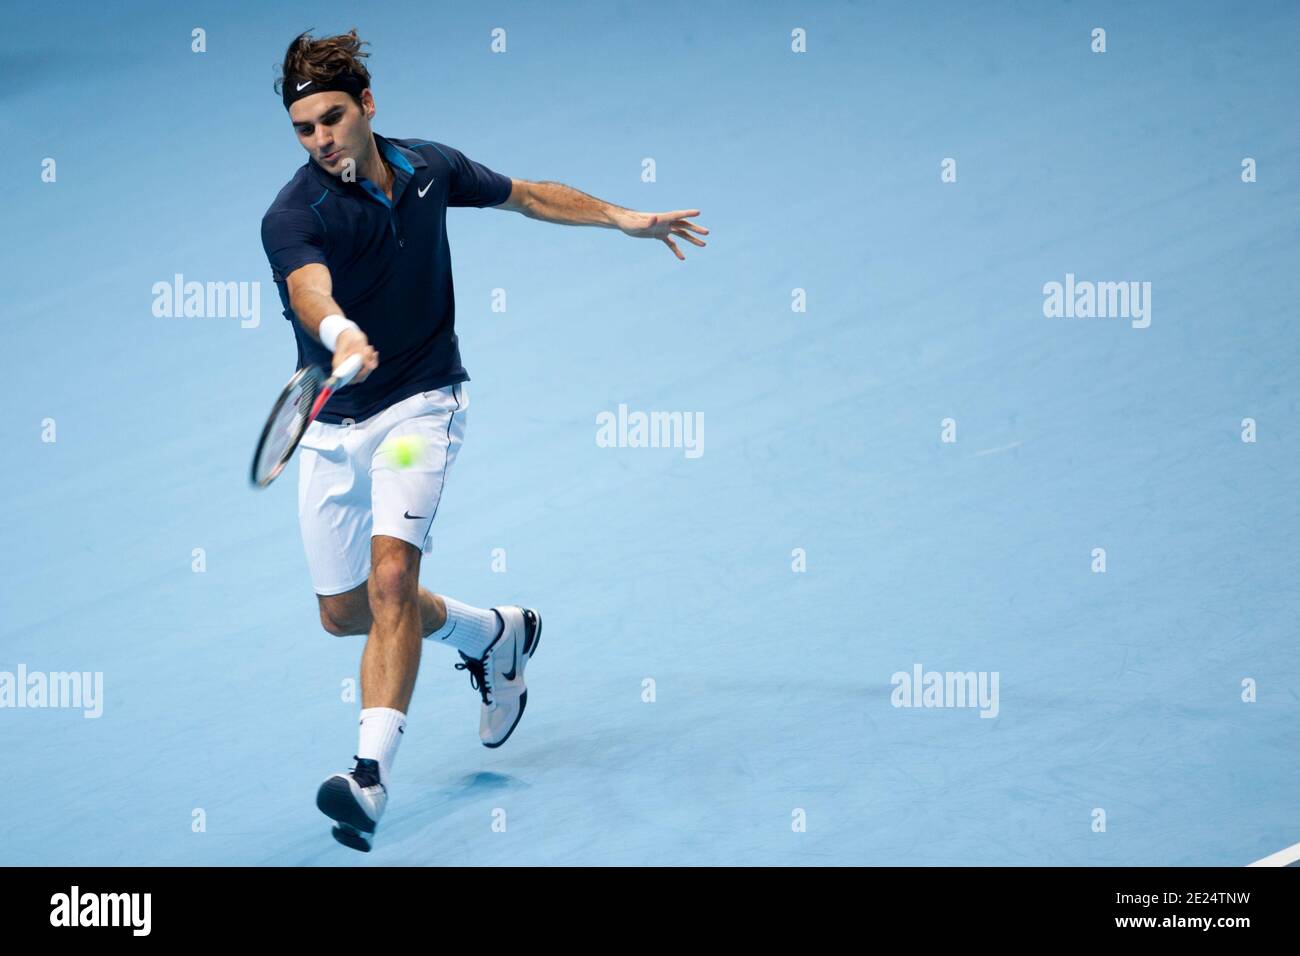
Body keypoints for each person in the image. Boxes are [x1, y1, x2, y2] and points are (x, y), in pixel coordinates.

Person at [259, 29, 708, 851]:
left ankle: (368, 776)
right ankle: (492, 634)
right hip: (332, 428)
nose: (320, 140)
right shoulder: (296, 214)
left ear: (366, 105)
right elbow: (306, 287)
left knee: (392, 579)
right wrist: (339, 330)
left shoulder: (430, 169)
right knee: (343, 613)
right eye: (302, 129)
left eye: (331, 118)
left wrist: (622, 218)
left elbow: (528, 194)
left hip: (418, 410)